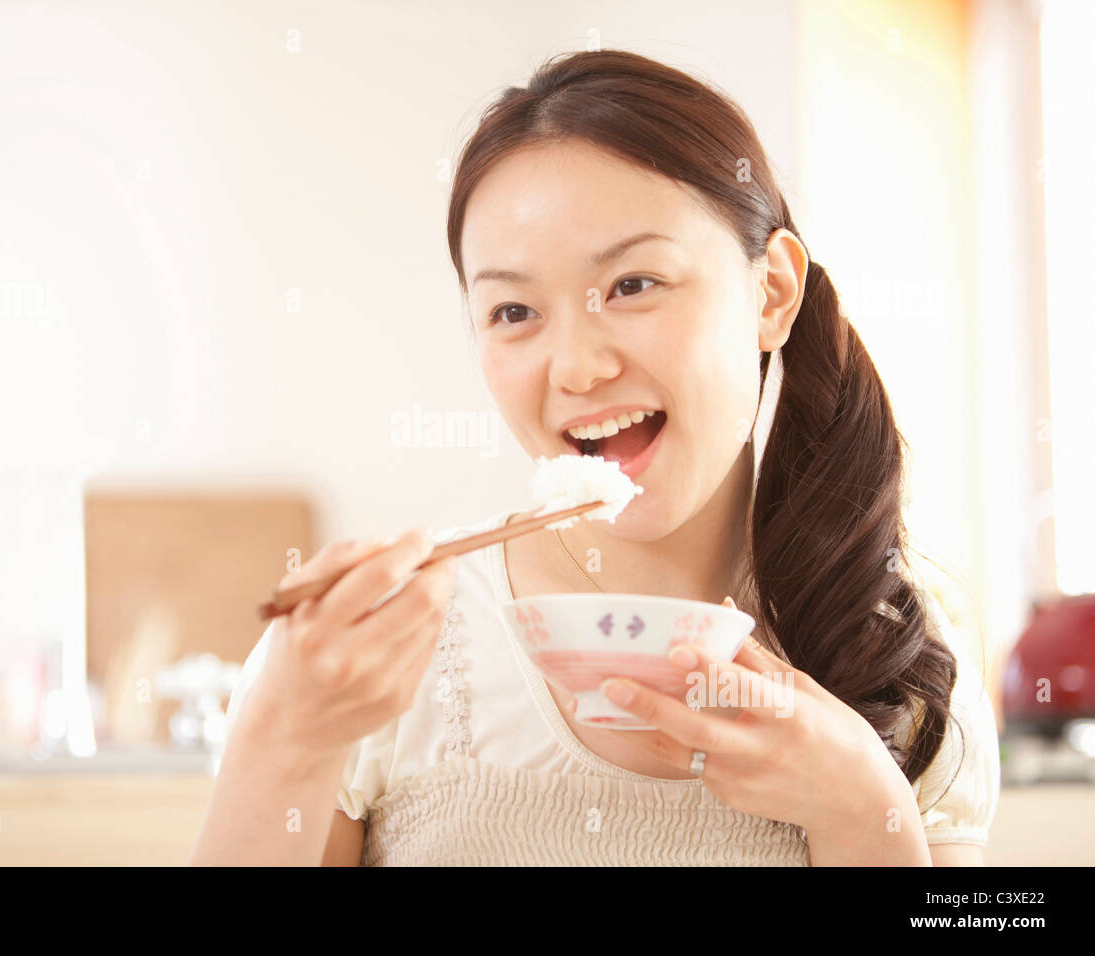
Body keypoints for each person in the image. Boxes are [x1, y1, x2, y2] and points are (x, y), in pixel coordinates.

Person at [190, 49, 999, 866]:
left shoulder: (894, 648)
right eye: (513, 310)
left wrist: (864, 805)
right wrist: (279, 738)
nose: (577, 368)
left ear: (772, 293)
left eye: (633, 285)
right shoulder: (376, 665)